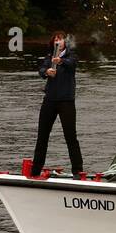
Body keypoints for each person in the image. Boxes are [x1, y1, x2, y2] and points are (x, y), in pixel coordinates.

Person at [31, 32, 83, 177]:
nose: (57, 42)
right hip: (50, 100)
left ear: (65, 43)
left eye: (60, 40)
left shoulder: (71, 56)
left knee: (70, 136)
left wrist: (60, 61)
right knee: (42, 136)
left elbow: (72, 64)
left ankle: (78, 170)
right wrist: (47, 71)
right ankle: (35, 170)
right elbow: (41, 70)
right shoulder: (49, 57)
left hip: (66, 101)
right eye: (55, 39)